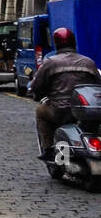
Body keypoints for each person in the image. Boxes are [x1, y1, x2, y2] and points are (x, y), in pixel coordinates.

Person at [30, 26, 101, 155]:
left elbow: (37, 86)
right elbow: (98, 84)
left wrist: (36, 93)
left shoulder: (50, 63)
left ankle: (48, 148)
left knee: (40, 111)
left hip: (59, 110)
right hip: (85, 112)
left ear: (56, 44)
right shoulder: (88, 62)